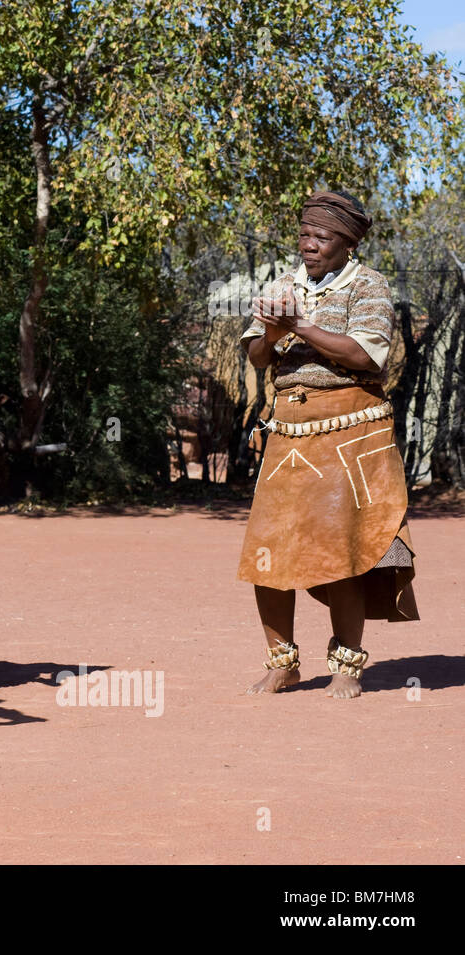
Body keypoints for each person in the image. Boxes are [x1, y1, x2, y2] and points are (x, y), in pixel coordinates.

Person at [238, 190, 417, 699]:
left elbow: (366, 356)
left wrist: (300, 326)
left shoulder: (369, 287)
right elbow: (255, 357)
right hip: (287, 432)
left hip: (349, 435)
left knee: (339, 553)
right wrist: (271, 334)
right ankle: (282, 662)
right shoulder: (285, 285)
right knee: (267, 554)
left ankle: (346, 665)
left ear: (347, 245)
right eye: (305, 235)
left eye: (322, 238)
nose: (310, 245)